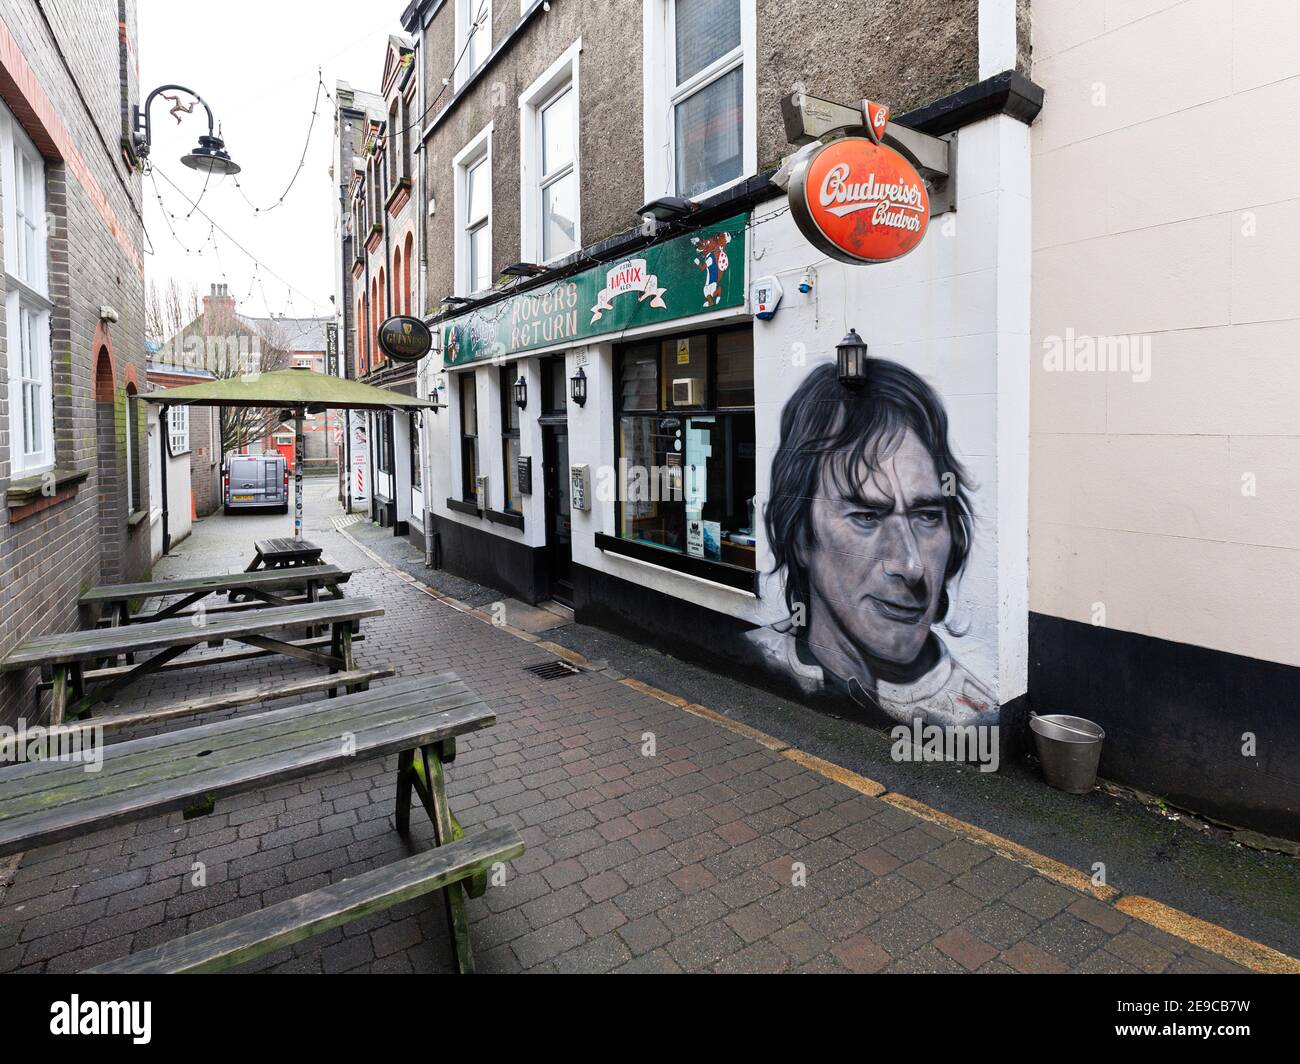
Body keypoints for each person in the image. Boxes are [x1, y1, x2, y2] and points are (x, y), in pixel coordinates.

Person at [747, 359, 995, 728]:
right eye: (866, 517)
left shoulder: (978, 719)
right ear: (800, 536)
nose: (911, 565)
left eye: (927, 516)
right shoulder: (755, 655)